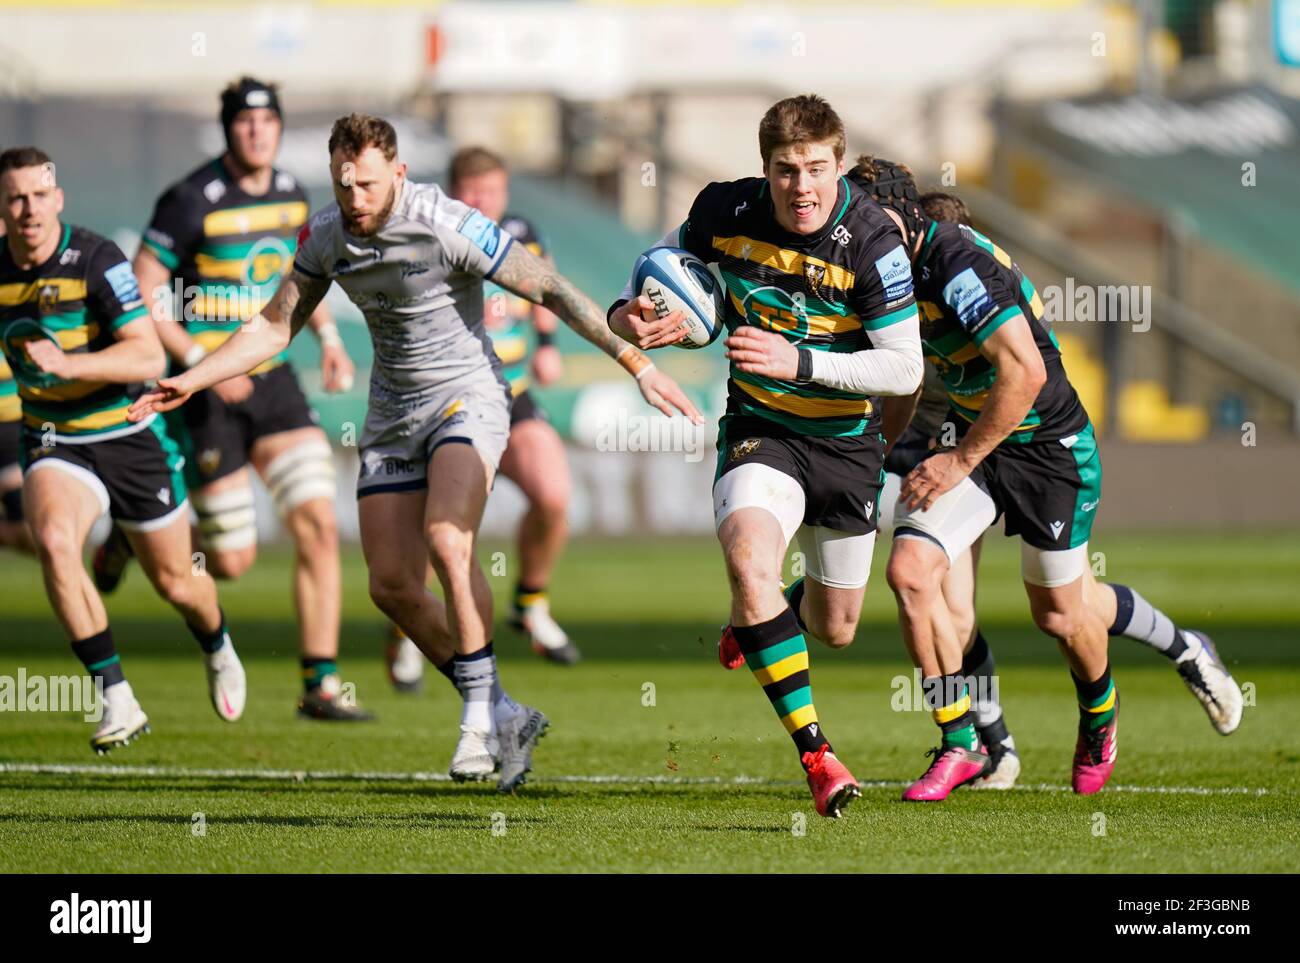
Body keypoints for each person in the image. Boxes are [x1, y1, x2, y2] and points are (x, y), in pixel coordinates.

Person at [128, 114, 700, 792]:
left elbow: (546, 286)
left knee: (448, 540)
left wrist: (636, 362)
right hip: (392, 414)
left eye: (368, 185)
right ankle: (505, 711)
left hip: (468, 397)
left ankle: (477, 721)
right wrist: (192, 378)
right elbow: (276, 325)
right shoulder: (326, 233)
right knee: (392, 585)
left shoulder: (446, 222)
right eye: (343, 184)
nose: (355, 198)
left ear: (398, 174)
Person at [850, 158, 1241, 800]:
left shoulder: (954, 264)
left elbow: (1025, 374)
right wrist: (880, 452)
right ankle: (966, 742)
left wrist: (957, 459)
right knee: (913, 574)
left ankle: (1103, 711)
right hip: (966, 435)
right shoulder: (884, 269)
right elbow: (907, 374)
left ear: (901, 216)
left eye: (866, 221)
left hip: (1044, 447)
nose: (857, 236)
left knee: (1062, 614)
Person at [609, 95, 923, 817]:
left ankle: (761, 620)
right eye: (786, 170)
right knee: (750, 563)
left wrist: (798, 361)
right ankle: (817, 754)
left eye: (815, 169)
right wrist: (626, 317)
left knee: (836, 627)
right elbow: (650, 271)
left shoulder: (872, 239)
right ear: (765, 169)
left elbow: (905, 367)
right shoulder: (725, 210)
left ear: (839, 166)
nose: (800, 186)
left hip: (847, 443)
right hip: (762, 430)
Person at [125, 77, 368, 720]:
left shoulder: (291, 191)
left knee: (319, 520)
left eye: (267, 120)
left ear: (280, 127)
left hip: (275, 379)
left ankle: (320, 683)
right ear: (228, 129)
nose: (257, 131)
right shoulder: (188, 199)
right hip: (207, 387)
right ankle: (142, 533)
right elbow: (142, 289)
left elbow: (302, 278)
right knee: (231, 560)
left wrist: (328, 340)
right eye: (244, 121)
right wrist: (197, 362)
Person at [0, 146, 245, 752]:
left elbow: (146, 354)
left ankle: (216, 643)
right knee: (56, 542)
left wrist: (70, 363)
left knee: (178, 583)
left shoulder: (95, 258)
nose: (29, 209)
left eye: (39, 195)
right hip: (55, 438)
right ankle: (116, 697)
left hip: (128, 434)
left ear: (58, 199)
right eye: (16, 198)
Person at [383, 146, 579, 691]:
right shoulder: (432, 236)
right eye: (472, 192)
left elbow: (544, 287)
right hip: (448, 400)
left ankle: (530, 602)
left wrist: (546, 345)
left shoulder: (520, 232)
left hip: (510, 393)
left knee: (554, 496)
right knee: (442, 529)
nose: (482, 201)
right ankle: (410, 632)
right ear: (453, 192)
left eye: (491, 191)